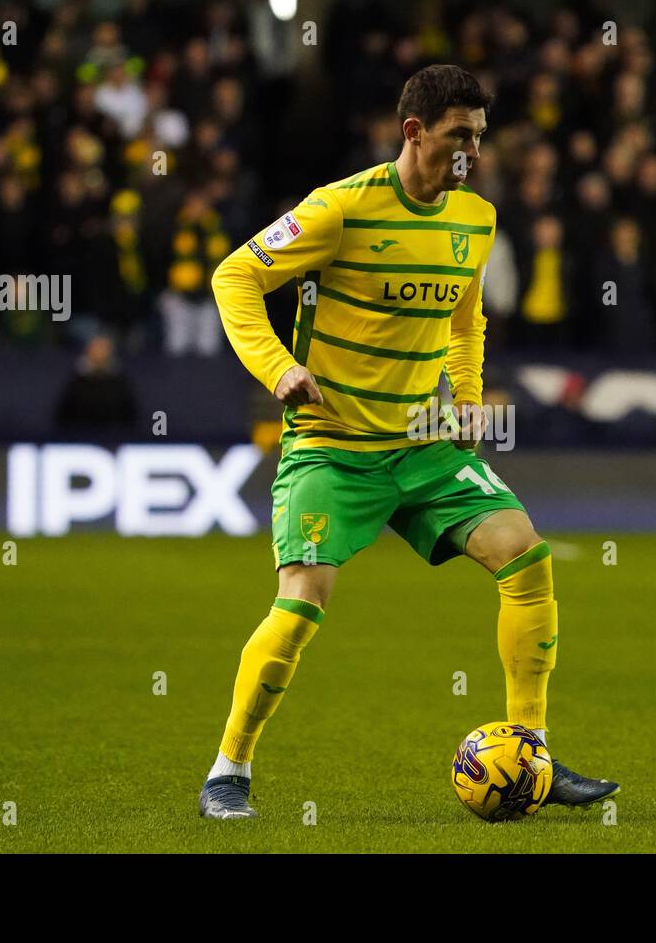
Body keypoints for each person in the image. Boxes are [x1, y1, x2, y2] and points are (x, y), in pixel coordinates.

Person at [203, 64, 619, 819]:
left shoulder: (476, 219)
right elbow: (233, 278)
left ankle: (532, 753)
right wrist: (280, 369)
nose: (472, 151)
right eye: (460, 134)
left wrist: (464, 398)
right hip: (331, 445)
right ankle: (228, 770)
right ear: (415, 131)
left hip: (423, 443)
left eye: (480, 137)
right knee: (302, 603)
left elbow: (466, 319)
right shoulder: (339, 210)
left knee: (524, 554)